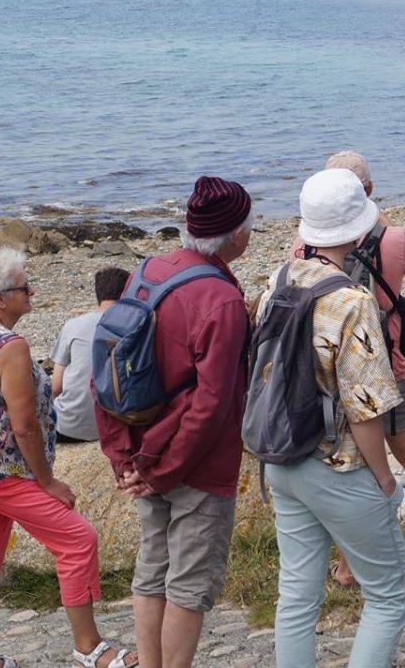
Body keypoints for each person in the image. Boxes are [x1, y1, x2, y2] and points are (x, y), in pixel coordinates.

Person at [0, 246, 133, 668]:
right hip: (5, 472)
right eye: (22, 286)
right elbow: (24, 425)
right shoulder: (10, 346)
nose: (31, 290)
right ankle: (89, 648)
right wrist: (47, 481)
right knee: (78, 539)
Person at [296, 152, 405, 589]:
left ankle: (347, 565)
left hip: (328, 376)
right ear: (368, 195)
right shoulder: (395, 238)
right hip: (386, 369)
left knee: (348, 466)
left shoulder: (301, 249)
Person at [97, 177, 253, 668]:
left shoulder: (147, 271)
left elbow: (106, 369)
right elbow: (212, 404)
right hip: (195, 462)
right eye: (250, 223)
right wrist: (163, 470)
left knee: (151, 571)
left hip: (142, 446)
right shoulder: (222, 299)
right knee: (189, 584)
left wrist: (124, 458)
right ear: (233, 236)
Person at [262, 168, 405, 668]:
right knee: (389, 597)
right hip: (336, 463)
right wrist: (386, 481)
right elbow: (363, 409)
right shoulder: (351, 301)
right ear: (357, 231)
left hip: (283, 458)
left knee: (297, 596)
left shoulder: (277, 282)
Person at [51, 267, 131, 444]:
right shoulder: (134, 326)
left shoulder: (73, 325)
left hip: (67, 427)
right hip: (118, 427)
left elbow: (56, 387)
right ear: (128, 293)